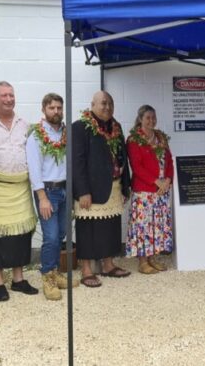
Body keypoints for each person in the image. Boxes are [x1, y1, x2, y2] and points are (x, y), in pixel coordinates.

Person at [0, 81, 38, 301]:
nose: (9, 99)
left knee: (21, 235)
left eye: (11, 95)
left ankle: (19, 279)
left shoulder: (25, 124)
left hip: (21, 188)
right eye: (3, 95)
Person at [72, 90, 132, 287]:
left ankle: (108, 265)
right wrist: (82, 191)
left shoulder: (116, 126)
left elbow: (123, 157)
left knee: (111, 227)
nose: (107, 107)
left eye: (110, 104)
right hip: (89, 190)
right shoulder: (80, 127)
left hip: (113, 187)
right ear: (92, 105)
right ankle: (87, 270)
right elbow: (76, 162)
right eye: (103, 103)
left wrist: (125, 186)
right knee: (88, 229)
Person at [26, 93, 78, 300]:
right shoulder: (36, 135)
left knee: (62, 233)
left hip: (66, 189)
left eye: (59, 108)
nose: (56, 111)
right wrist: (42, 198)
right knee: (51, 237)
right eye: (52, 108)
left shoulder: (67, 133)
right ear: (43, 110)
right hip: (48, 192)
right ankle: (47, 277)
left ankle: (55, 273)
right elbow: (34, 168)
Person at [126, 105, 174, 274]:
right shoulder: (134, 139)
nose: (151, 121)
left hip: (161, 191)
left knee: (157, 225)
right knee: (143, 226)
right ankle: (142, 261)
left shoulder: (161, 137)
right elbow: (137, 167)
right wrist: (156, 181)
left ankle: (153, 257)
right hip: (144, 191)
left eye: (153, 117)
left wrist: (168, 180)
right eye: (147, 117)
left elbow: (169, 161)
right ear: (140, 119)